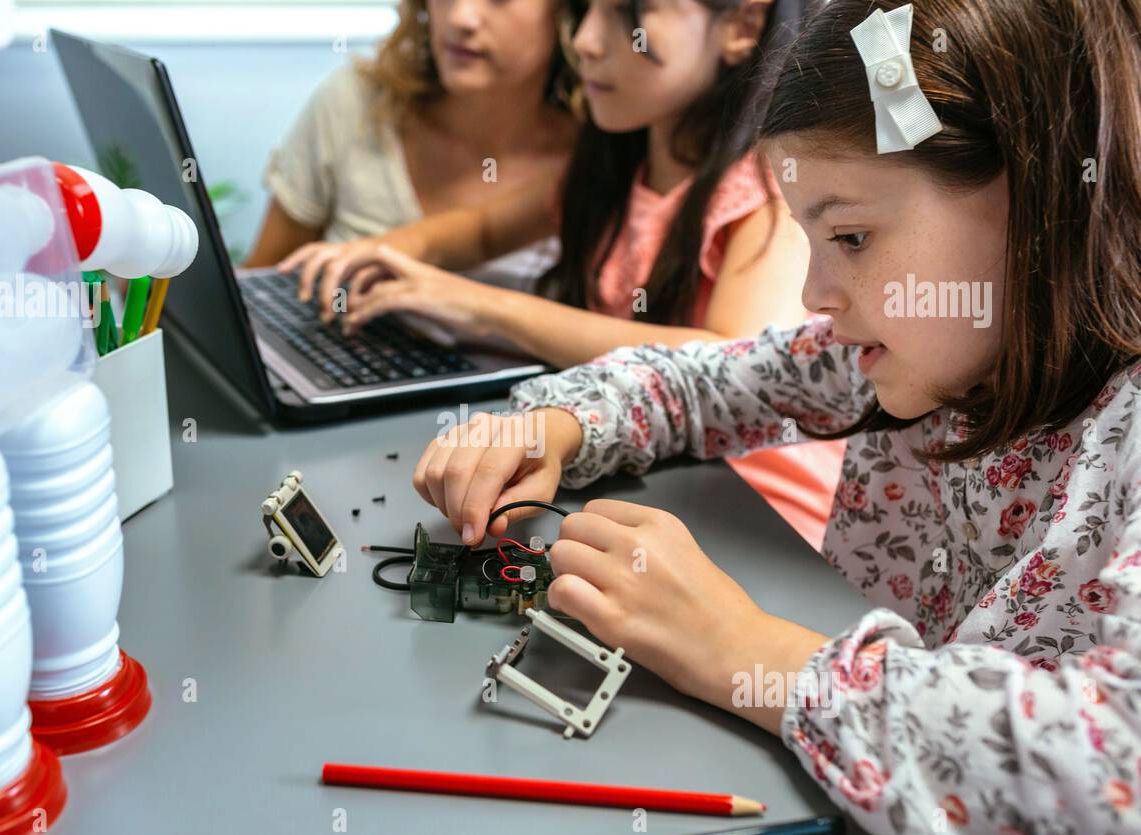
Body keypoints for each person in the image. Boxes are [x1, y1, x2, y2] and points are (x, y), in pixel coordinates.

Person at [408, 0, 1141, 835]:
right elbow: (697, 382)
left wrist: (746, 653)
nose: (815, 295)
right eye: (811, 240)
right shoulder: (915, 346)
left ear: (1040, 192)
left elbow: (1111, 772)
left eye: (854, 236)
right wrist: (558, 425)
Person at [287, 0, 843, 549]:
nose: (585, 41)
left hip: (762, 518)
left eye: (630, 14)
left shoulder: (770, 189)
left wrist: (477, 303)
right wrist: (383, 251)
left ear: (743, 25)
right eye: (584, 10)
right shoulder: (616, 165)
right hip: (654, 478)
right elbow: (482, 231)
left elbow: (725, 360)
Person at [243, 0, 580, 291]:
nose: (461, 17)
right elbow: (262, 280)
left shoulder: (599, 149)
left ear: (570, 13)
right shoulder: (355, 103)